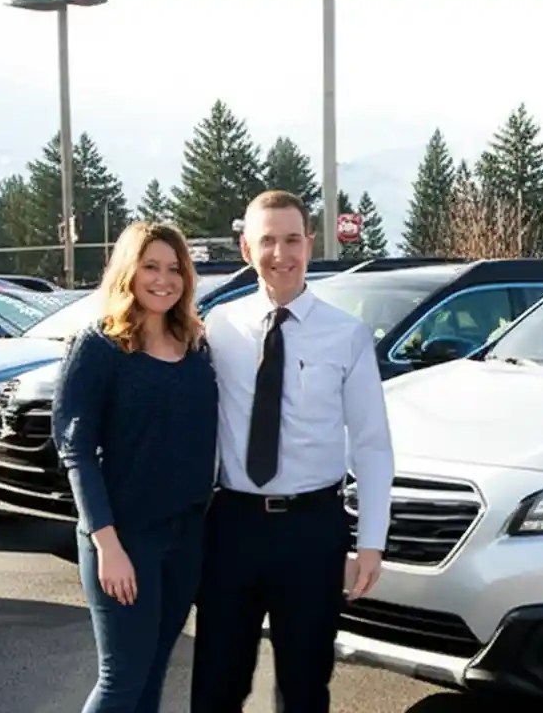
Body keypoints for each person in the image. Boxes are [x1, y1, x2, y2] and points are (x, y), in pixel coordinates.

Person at [191, 190, 395, 712]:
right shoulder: (218, 329)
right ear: (244, 248)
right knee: (217, 682)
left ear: (309, 243)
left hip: (311, 531)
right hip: (231, 527)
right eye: (266, 241)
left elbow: (371, 443)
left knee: (304, 687)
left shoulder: (346, 335)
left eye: (291, 240)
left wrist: (371, 542)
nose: (280, 253)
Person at [52, 221, 218, 713]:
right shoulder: (100, 346)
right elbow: (75, 449)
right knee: (121, 680)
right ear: (129, 271)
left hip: (185, 538)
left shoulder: (195, 346)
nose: (164, 279)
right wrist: (107, 545)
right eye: (150, 267)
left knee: (152, 672)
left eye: (174, 269)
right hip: (124, 539)